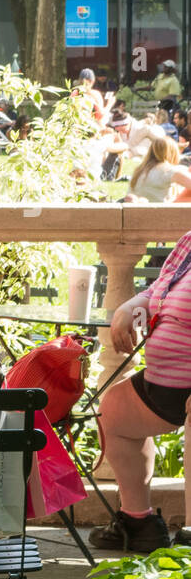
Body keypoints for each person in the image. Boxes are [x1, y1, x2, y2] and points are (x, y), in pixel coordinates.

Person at [88, 226, 191, 553]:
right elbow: (160, 289)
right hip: (166, 382)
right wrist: (131, 306)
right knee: (114, 411)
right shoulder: (189, 242)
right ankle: (138, 523)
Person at [126, 136, 191, 202]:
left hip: (135, 210)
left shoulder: (140, 170)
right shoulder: (168, 171)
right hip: (161, 211)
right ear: (173, 152)